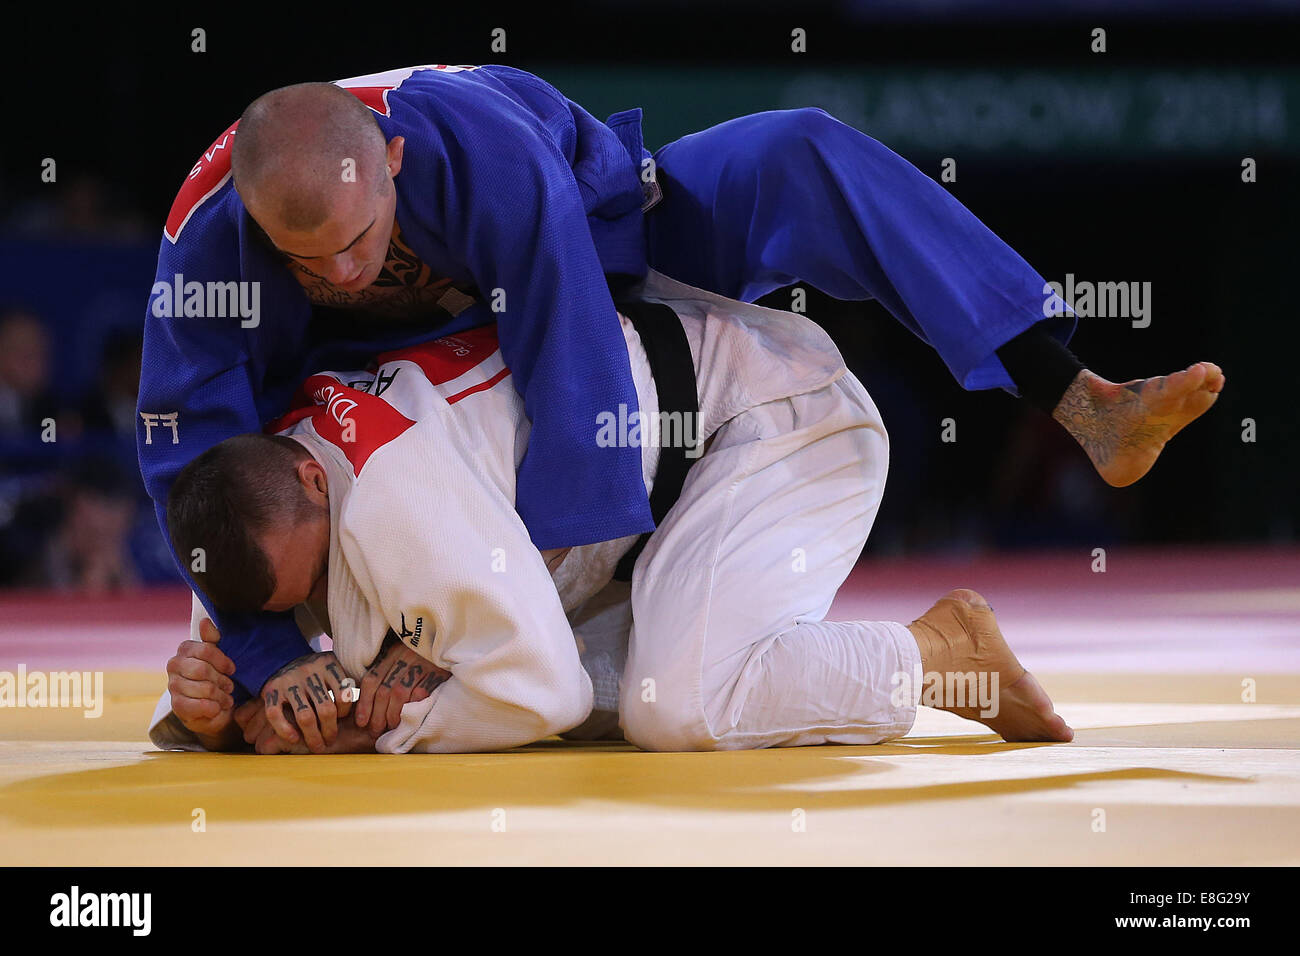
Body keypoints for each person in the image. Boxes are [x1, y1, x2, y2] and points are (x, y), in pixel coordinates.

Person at [139, 63, 1224, 734]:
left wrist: (484, 620)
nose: (341, 277)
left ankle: (1076, 396)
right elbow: (206, 481)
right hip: (428, 369)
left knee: (800, 150)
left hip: (614, 250)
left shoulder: (483, 151)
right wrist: (265, 662)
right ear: (249, 221)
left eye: (365, 241)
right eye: (305, 260)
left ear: (394, 159)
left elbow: (574, 359)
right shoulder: (207, 247)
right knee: (283, 490)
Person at [152, 270, 1074, 755]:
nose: (302, 612)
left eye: (312, 588)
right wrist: (207, 711)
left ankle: (941, 654)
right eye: (283, 610)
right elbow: (241, 634)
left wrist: (380, 730)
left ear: (316, 483)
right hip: (623, 529)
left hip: (766, 428)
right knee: (605, 696)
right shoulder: (249, 496)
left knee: (677, 709)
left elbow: (536, 691)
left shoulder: (392, 494)